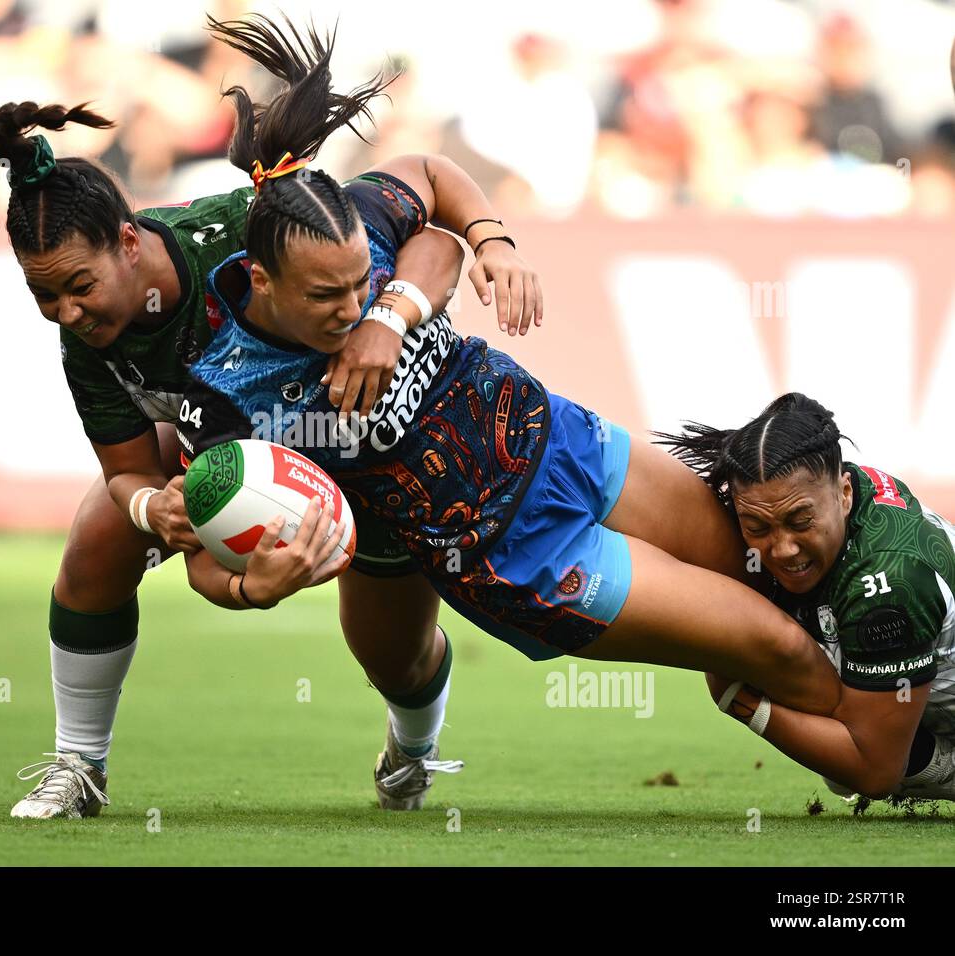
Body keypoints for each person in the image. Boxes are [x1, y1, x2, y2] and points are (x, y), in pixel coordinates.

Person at [175, 44, 851, 732]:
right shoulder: (230, 393)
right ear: (261, 280)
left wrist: (467, 260)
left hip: (562, 439)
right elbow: (200, 549)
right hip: (515, 555)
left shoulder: (350, 227)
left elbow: (435, 198)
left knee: (767, 568)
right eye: (328, 296)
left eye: (359, 283)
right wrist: (244, 588)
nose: (351, 305)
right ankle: (901, 753)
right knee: (775, 646)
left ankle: (917, 685)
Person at [0, 13, 544, 818]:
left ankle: (412, 752)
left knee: (395, 654)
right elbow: (127, 474)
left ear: (131, 242)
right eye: (43, 295)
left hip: (370, 438)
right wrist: (159, 511)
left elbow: (426, 211)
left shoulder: (250, 225)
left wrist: (437, 277)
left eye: (78, 284)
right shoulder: (91, 346)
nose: (66, 311)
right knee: (100, 538)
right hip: (240, 444)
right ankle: (79, 768)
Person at [660, 394, 955, 802]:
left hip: (908, 708)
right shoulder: (819, 481)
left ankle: (937, 759)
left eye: (800, 522)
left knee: (846, 764)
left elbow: (874, 775)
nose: (782, 549)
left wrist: (742, 702)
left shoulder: (889, 583)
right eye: (757, 527)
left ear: (845, 493)